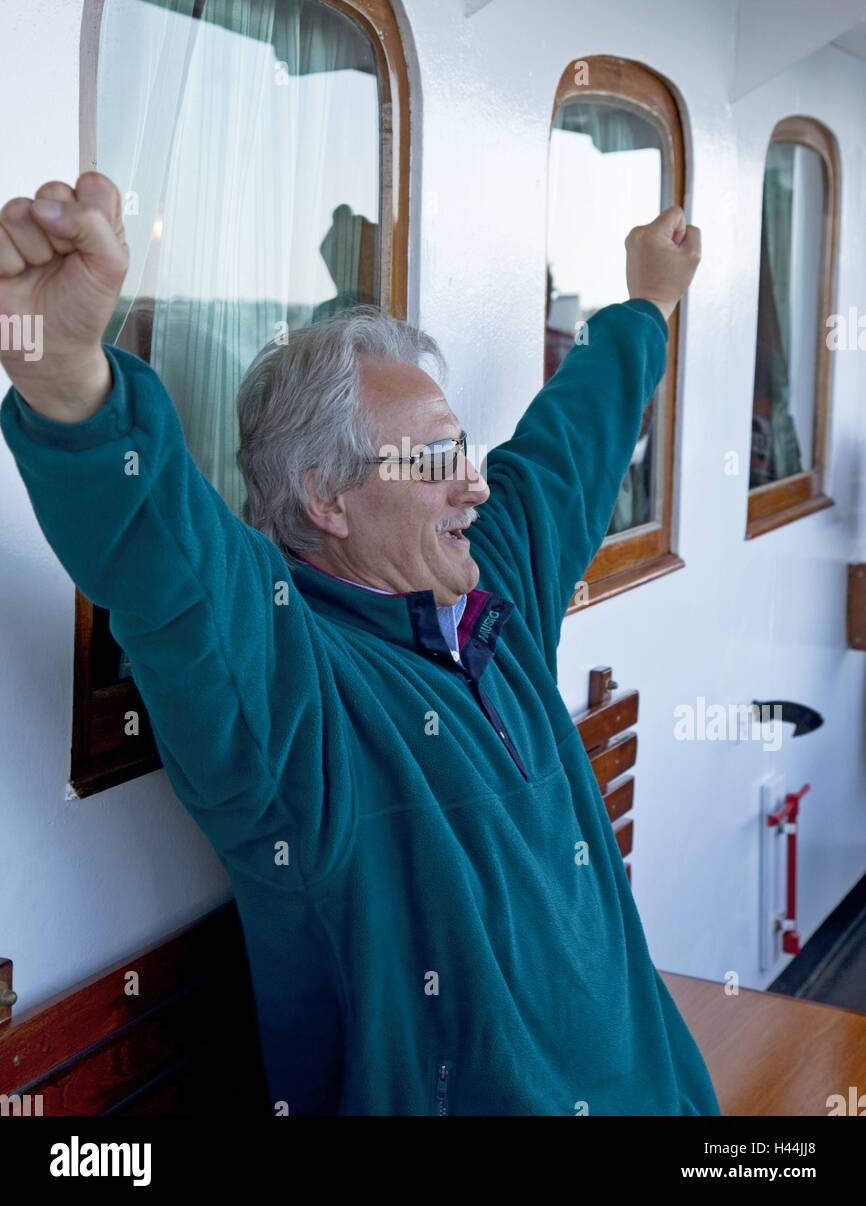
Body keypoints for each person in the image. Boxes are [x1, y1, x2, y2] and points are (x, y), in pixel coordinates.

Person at [0, 172, 716, 1116]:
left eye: (463, 450)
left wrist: (650, 300)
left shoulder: (486, 591)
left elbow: (566, 448)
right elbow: (171, 567)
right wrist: (68, 389)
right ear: (324, 500)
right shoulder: (297, 693)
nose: (475, 485)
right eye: (432, 460)